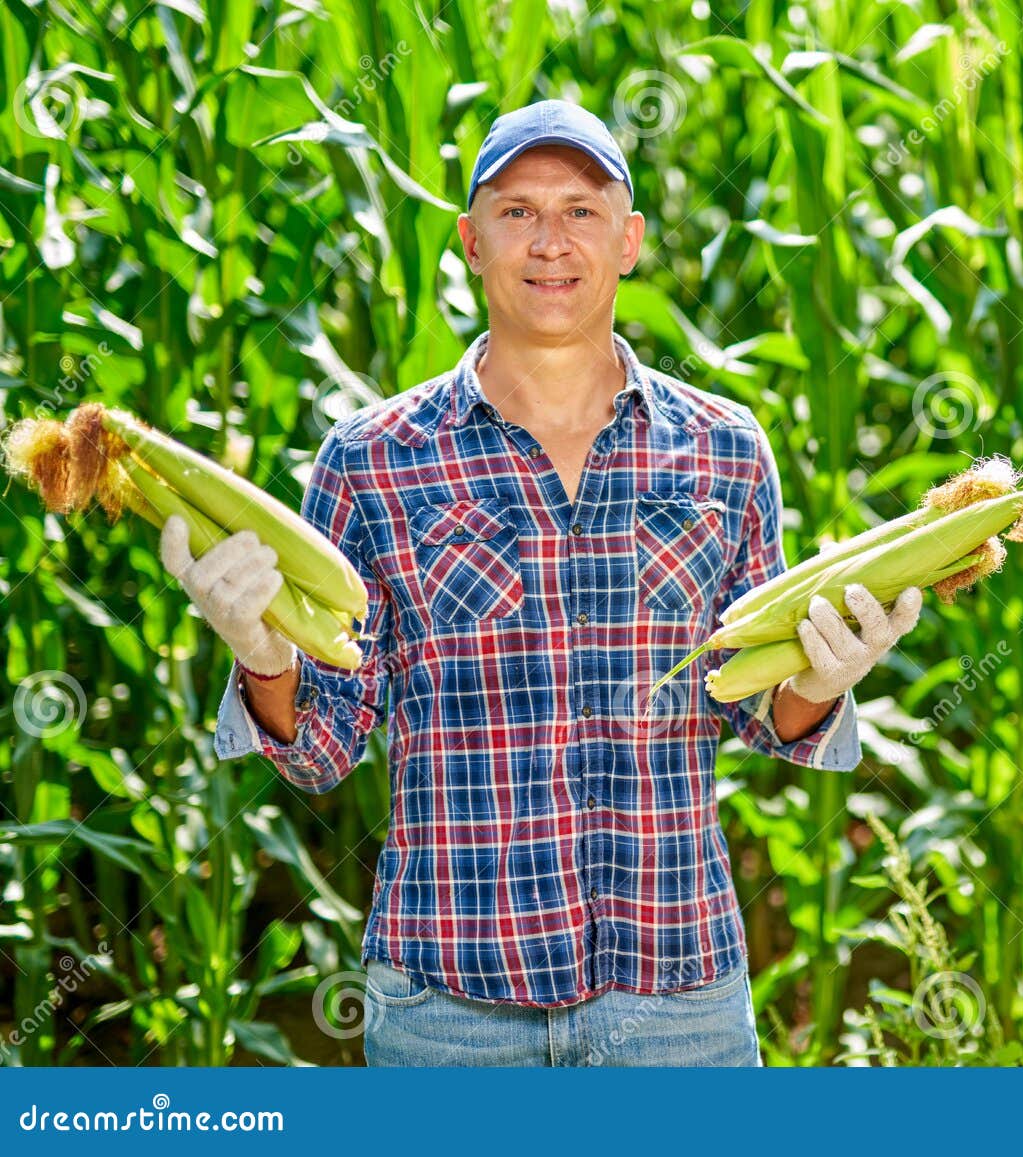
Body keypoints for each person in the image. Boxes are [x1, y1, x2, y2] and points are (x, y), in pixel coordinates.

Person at [160, 98, 922, 1066]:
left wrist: (825, 676)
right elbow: (323, 747)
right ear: (472, 242)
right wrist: (262, 654)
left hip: (676, 989)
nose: (549, 241)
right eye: (517, 212)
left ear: (630, 240)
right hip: (449, 999)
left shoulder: (724, 448)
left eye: (580, 210)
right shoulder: (373, 458)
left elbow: (758, 711)